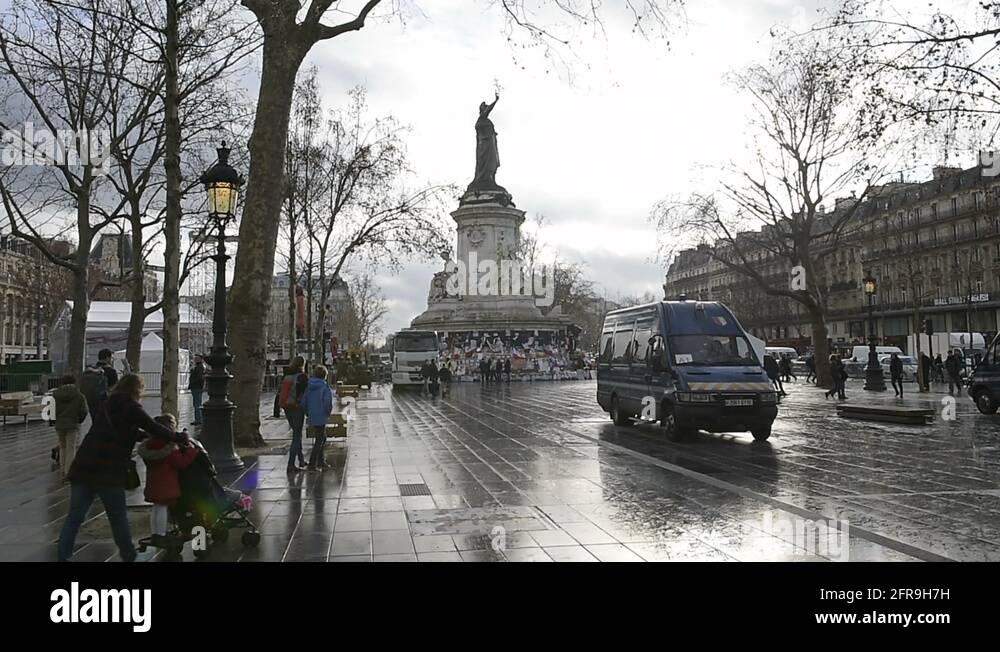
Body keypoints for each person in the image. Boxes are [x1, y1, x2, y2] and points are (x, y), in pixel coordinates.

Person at [58, 374, 182, 562]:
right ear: (136, 390)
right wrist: (178, 438)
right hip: (108, 468)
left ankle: (63, 557)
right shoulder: (131, 406)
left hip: (84, 464)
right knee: (118, 518)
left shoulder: (108, 403)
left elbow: (115, 428)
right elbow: (152, 426)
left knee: (74, 518)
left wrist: (139, 435)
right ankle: (129, 556)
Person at [136, 415, 198, 545]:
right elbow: (181, 463)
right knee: (162, 508)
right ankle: (161, 534)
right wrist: (191, 451)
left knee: (156, 508)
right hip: (167, 485)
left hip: (153, 484)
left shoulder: (149, 447)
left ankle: (155, 533)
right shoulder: (170, 448)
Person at [50, 374, 89, 480]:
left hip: (59, 425)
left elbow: (50, 410)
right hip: (72, 424)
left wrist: (54, 421)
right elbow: (84, 411)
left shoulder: (55, 395)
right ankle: (69, 471)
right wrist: (79, 420)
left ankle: (62, 469)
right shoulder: (79, 395)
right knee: (71, 448)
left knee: (62, 447)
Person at [300, 365, 334, 471]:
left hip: (312, 414)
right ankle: (313, 463)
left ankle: (320, 460)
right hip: (321, 414)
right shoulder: (324, 387)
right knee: (320, 439)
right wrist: (328, 412)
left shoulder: (309, 386)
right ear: (325, 376)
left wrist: (307, 412)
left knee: (322, 437)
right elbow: (327, 402)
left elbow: (303, 401)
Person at [278, 356, 309, 474]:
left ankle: (301, 460)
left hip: (287, 407)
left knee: (296, 433)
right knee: (297, 436)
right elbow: (305, 394)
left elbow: (280, 392)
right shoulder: (302, 377)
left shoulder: (287, 376)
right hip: (297, 407)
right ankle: (291, 464)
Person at [188, 355, 206, 426]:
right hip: (197, 387)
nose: (195, 360)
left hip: (196, 387)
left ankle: (199, 419)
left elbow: (198, 378)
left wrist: (192, 383)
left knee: (197, 404)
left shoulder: (199, 367)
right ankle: (198, 419)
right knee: (196, 403)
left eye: (196, 358)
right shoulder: (199, 367)